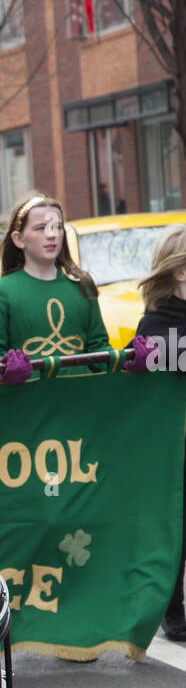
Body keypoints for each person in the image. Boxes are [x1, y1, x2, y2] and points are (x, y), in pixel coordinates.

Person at [0, 192, 111, 376]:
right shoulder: (3, 292)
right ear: (19, 239)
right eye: (40, 228)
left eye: (57, 227)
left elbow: (99, 348)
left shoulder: (82, 285)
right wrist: (4, 369)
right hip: (30, 400)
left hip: (80, 399)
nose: (51, 235)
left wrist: (127, 361)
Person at [136, 225, 186, 641]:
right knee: (177, 527)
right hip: (175, 444)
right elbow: (160, 362)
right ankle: (172, 609)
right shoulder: (155, 324)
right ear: (180, 272)